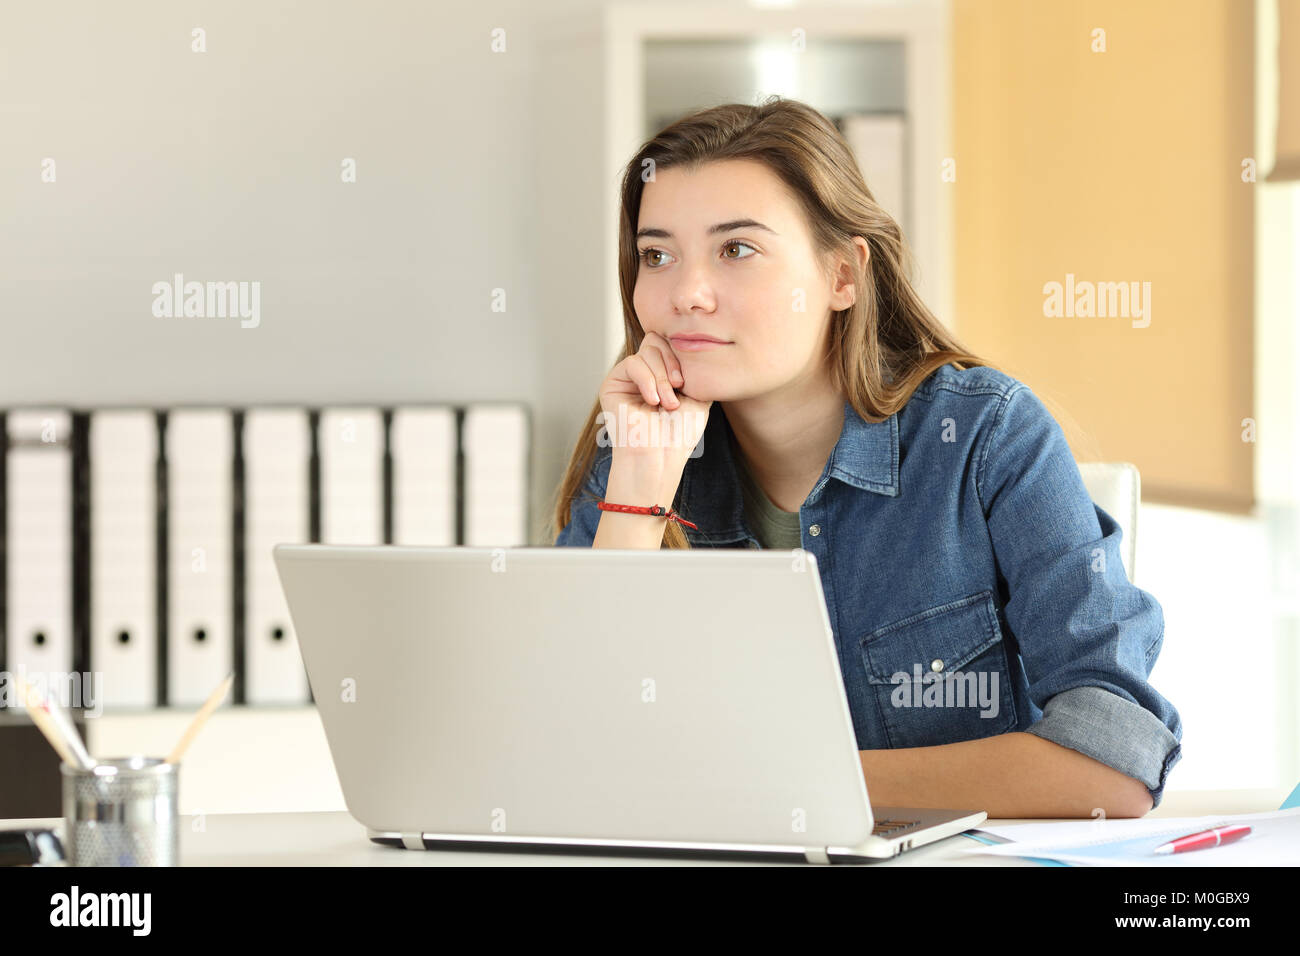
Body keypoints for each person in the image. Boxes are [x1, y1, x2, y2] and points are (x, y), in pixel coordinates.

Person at [549, 96, 1181, 819]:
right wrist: (636, 493)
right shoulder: (636, 446)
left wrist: (795, 787)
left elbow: (1114, 761)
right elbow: (563, 752)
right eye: (657, 254)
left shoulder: (986, 438)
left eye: (737, 249)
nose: (686, 294)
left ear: (843, 276)